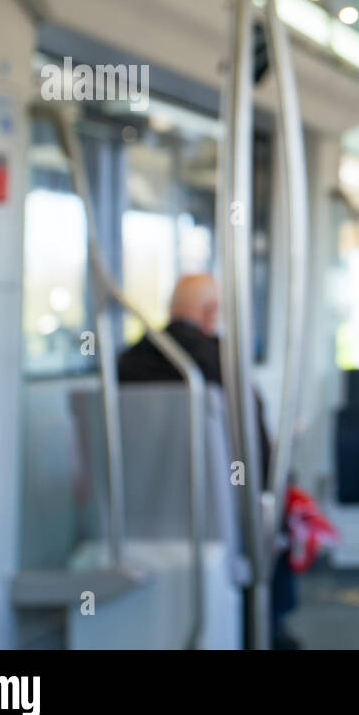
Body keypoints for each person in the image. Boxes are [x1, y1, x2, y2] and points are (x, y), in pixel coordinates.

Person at [118, 272, 300, 650]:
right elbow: (255, 452)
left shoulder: (125, 365)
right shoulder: (223, 365)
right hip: (219, 520)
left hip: (136, 519)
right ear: (211, 312)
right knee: (273, 504)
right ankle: (267, 628)